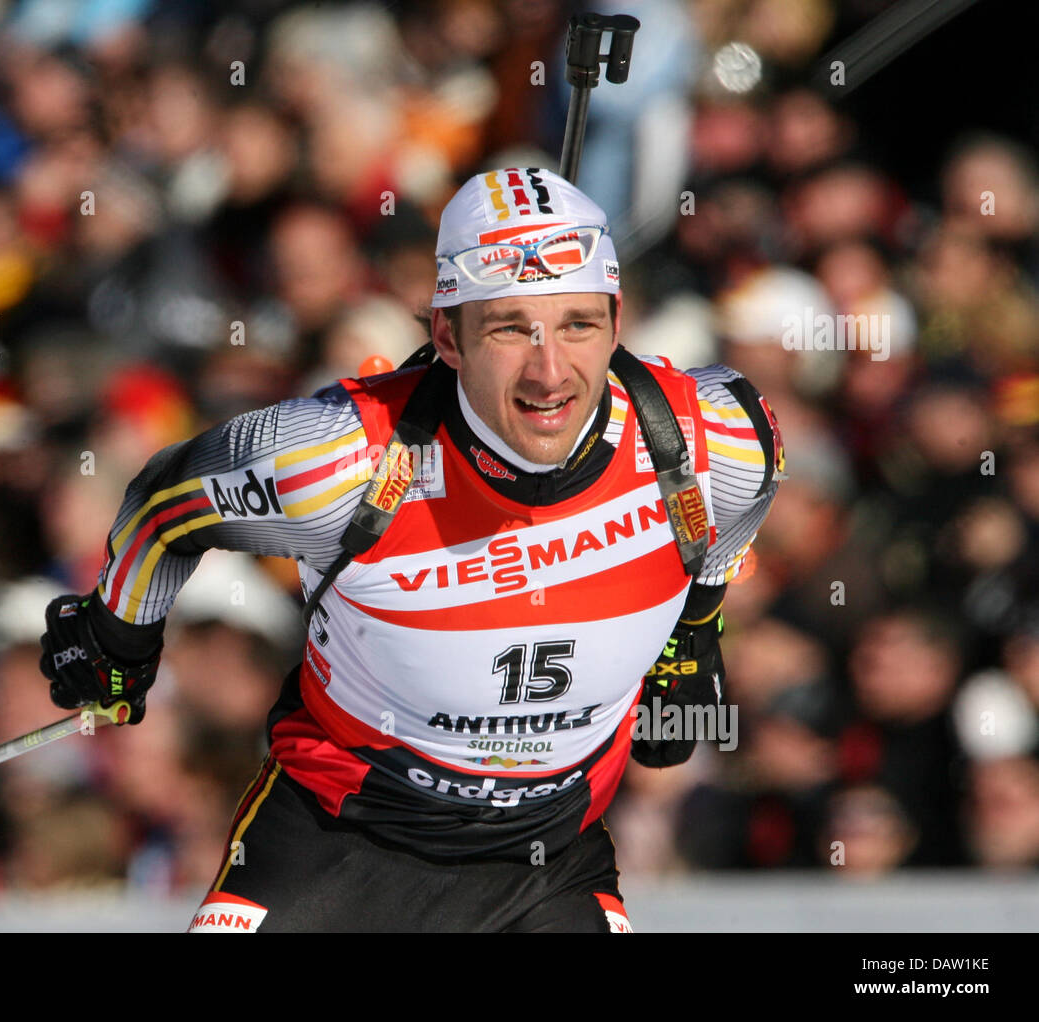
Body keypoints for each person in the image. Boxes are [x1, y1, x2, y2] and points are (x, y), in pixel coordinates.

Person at [38, 167, 783, 932]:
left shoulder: (709, 440)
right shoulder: (338, 461)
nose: (551, 371)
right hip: (338, 841)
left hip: (545, 860)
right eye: (508, 327)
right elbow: (166, 502)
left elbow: (746, 498)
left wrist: (694, 635)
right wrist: (118, 636)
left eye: (578, 325)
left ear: (618, 321)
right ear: (447, 335)